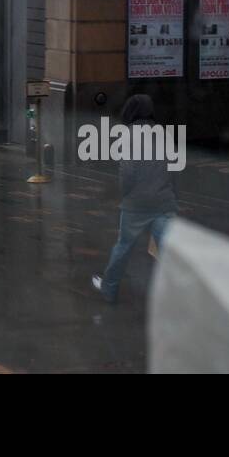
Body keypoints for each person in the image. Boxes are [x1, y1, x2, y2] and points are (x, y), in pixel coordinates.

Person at [91, 93, 178, 304]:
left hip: (136, 205)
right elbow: (171, 164)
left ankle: (109, 289)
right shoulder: (161, 132)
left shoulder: (129, 135)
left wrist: (123, 193)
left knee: (124, 246)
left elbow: (128, 172)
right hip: (162, 202)